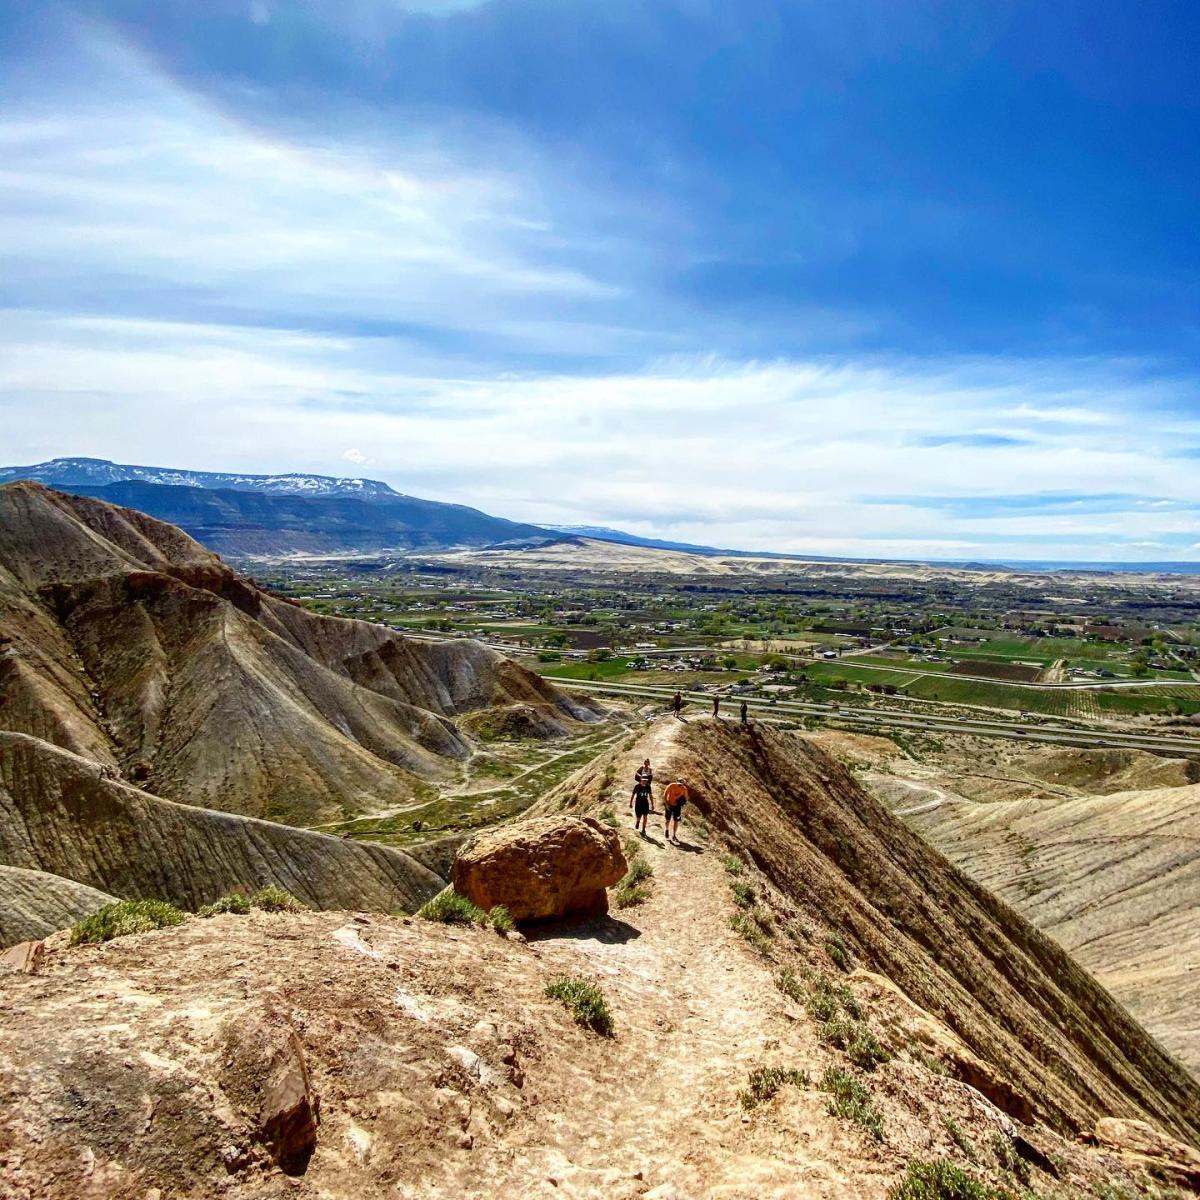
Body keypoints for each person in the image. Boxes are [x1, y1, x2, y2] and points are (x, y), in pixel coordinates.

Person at [662, 777, 689, 844]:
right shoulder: (671, 786)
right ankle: (667, 829)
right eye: (679, 783)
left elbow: (685, 799)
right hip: (669, 804)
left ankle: (674, 835)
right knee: (667, 819)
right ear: (676, 782)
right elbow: (665, 795)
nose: (680, 785)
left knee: (676, 821)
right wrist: (666, 804)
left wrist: (682, 802)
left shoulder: (684, 789)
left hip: (677, 807)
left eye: (681, 784)